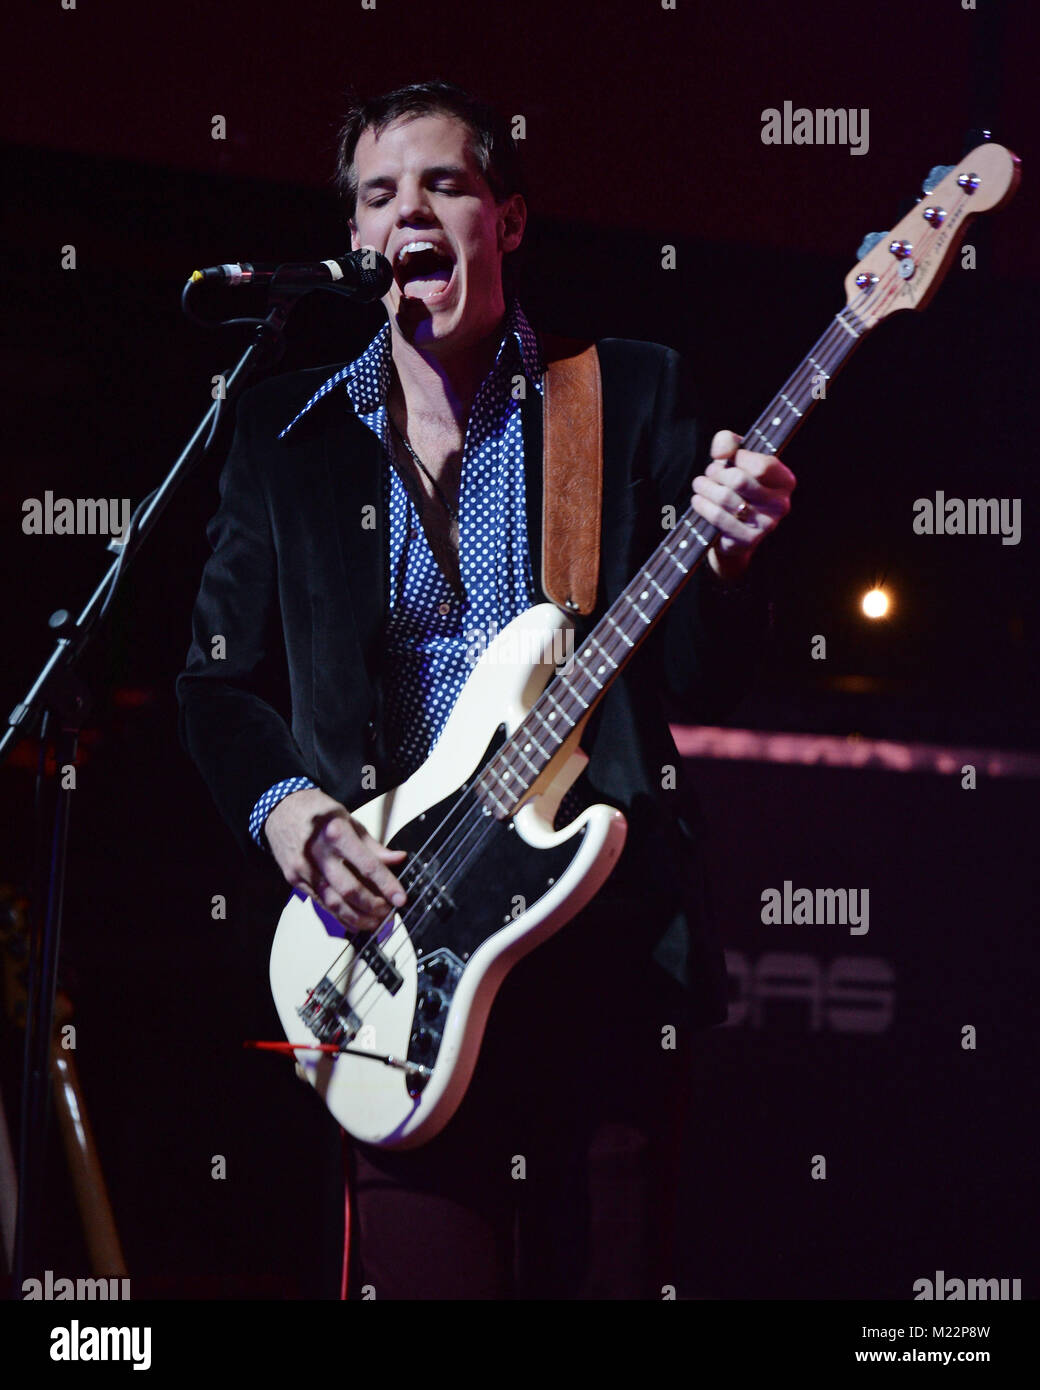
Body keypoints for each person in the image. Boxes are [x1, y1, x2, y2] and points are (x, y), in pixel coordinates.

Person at [176, 80, 795, 1299]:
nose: (409, 209)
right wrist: (295, 814)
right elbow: (212, 683)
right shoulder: (284, 439)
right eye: (378, 193)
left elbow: (697, 674)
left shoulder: (622, 394)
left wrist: (729, 555)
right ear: (355, 243)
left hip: (602, 959)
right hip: (394, 964)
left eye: (444, 183)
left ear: (506, 221)